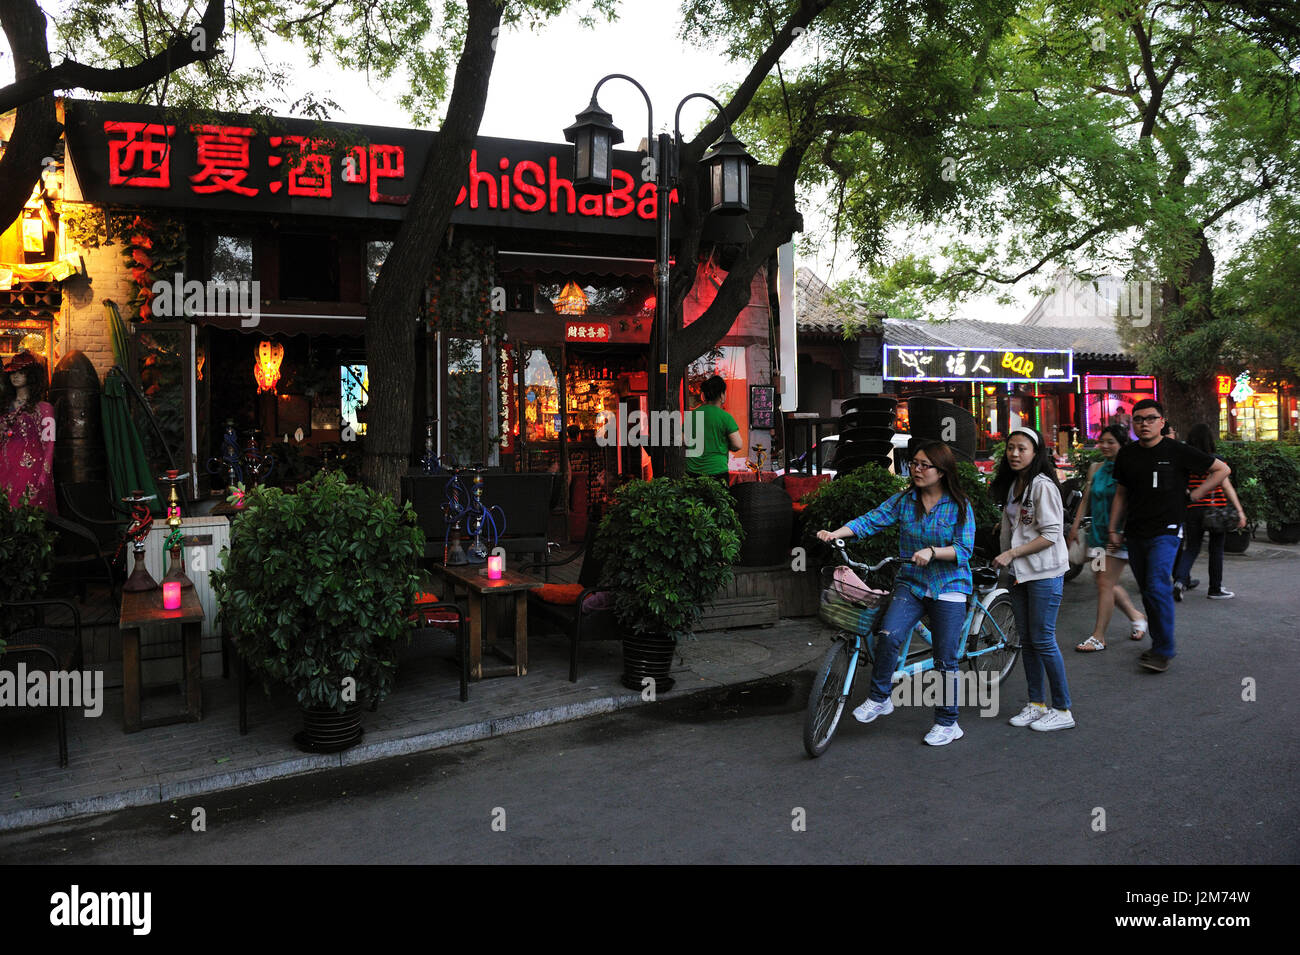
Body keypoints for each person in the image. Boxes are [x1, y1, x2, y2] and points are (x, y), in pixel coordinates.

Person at [816, 441, 976, 746]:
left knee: (945, 658)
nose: (916, 469)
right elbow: (871, 520)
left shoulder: (959, 505)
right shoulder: (905, 501)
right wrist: (836, 534)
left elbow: (964, 550)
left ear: (941, 472)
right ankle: (880, 698)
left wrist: (932, 551)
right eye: (913, 463)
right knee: (888, 634)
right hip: (912, 583)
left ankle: (948, 722)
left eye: (924, 465)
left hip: (950, 585)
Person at [1107, 399, 1230, 672]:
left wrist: (1196, 494)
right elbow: (1121, 494)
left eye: (1151, 418)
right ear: (1132, 424)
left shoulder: (1178, 450)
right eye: (1138, 419)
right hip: (1135, 531)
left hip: (1168, 531)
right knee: (1148, 591)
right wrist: (1113, 528)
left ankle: (1164, 650)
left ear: (1162, 422)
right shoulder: (1127, 455)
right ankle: (1158, 644)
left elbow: (1222, 469)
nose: (1144, 423)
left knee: (1158, 584)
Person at [991, 426, 1075, 731]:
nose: (1014, 453)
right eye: (1010, 447)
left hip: (1045, 573)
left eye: (1022, 448)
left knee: (1043, 639)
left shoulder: (1042, 486)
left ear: (1035, 452)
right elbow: (1014, 528)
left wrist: (1012, 554)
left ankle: (1063, 709)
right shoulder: (1016, 484)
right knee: (1026, 640)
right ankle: (1037, 703)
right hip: (1019, 575)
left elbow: (1052, 534)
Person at [1068, 425, 1148, 651]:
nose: (1104, 445)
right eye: (1102, 441)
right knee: (1103, 582)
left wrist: (1123, 530)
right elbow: (1085, 499)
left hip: (1119, 538)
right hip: (1097, 536)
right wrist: (1075, 526)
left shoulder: (1130, 469)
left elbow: (1134, 502)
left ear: (1122, 445)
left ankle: (1098, 636)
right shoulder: (1096, 468)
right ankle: (1136, 616)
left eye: (1110, 442)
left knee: (1104, 583)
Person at [1172, 423, 1247, 601]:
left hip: (1193, 510)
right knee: (1216, 550)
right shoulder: (1217, 461)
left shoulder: (1185, 463)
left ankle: (1180, 582)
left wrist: (1190, 495)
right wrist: (1240, 510)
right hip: (1216, 510)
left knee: (1192, 548)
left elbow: (1178, 485)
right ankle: (1215, 588)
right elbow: (1226, 486)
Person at [0, 350, 56, 513]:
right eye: (13, 372)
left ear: (31, 377)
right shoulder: (4, 408)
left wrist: (44, 475)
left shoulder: (44, 409)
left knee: (27, 512)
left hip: (30, 469)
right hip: (4, 466)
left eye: (21, 372)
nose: (15, 376)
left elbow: (49, 444)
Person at [684, 375, 742, 482]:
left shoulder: (692, 415)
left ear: (704, 396)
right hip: (717, 471)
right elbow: (737, 444)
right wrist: (724, 444)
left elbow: (684, 441)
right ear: (722, 395)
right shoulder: (725, 417)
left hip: (692, 472)